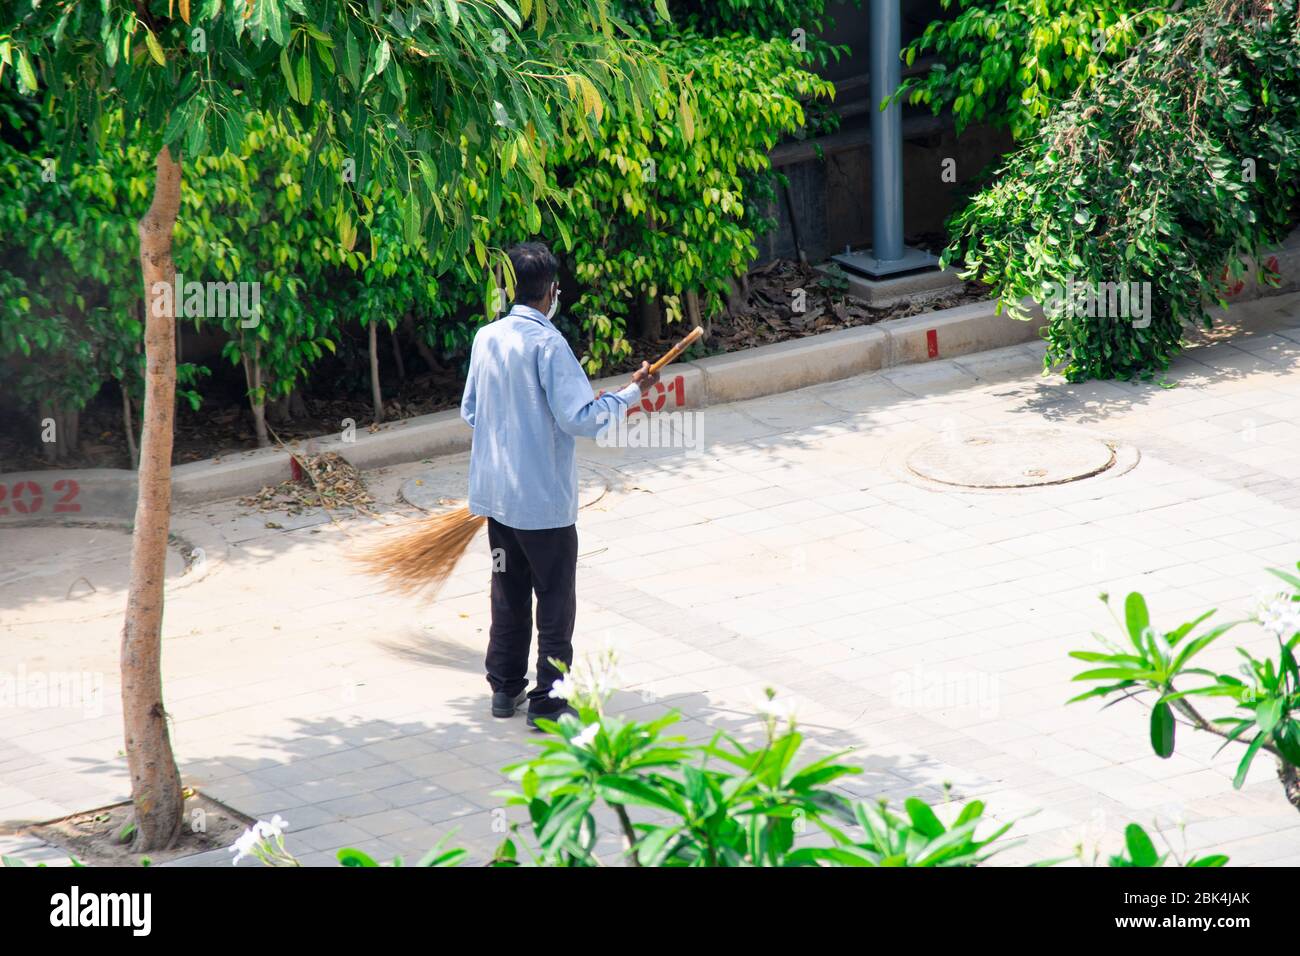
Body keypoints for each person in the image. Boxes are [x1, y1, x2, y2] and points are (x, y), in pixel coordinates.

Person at [460, 242, 659, 728]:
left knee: (507, 591)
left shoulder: (487, 337)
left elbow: (470, 410)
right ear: (551, 292)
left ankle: (504, 691)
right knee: (554, 597)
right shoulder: (549, 345)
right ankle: (549, 700)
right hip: (543, 506)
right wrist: (632, 394)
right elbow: (580, 420)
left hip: (498, 499)